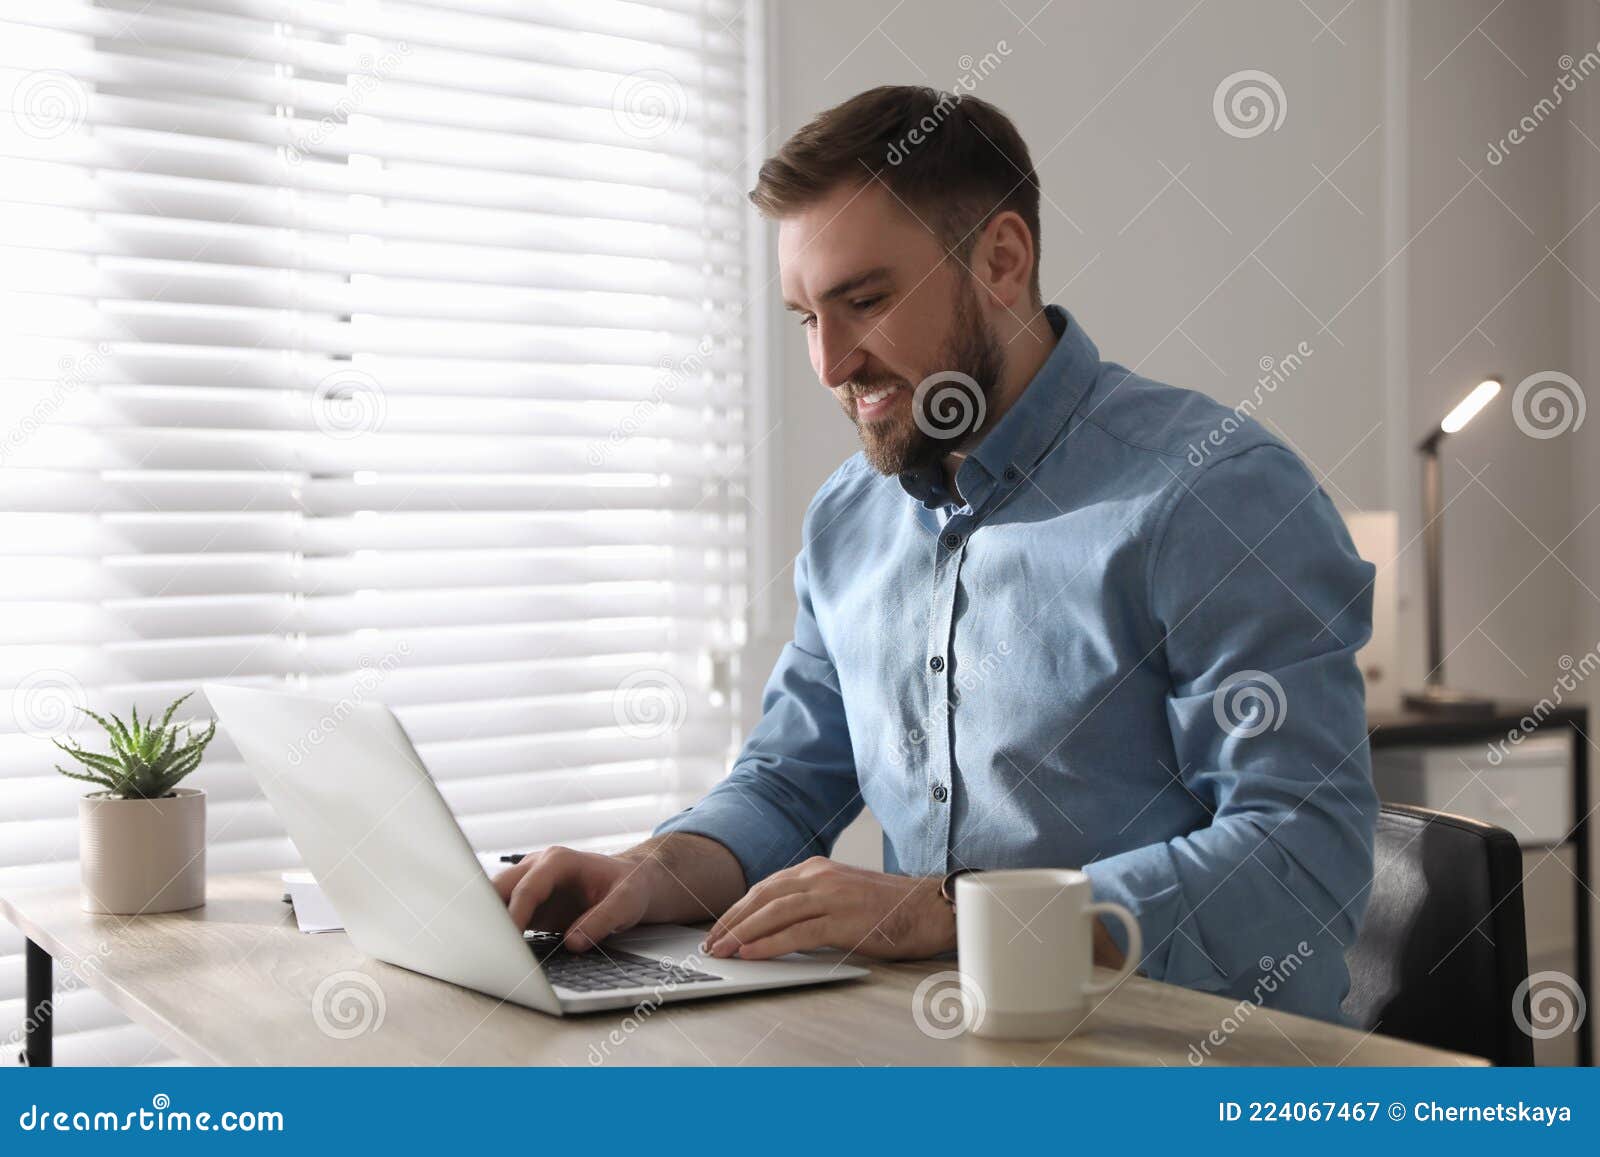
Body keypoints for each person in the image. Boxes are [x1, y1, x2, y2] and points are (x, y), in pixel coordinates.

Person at [494, 86, 1377, 1022]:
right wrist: (648, 871)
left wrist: (956, 913)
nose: (832, 364)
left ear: (1001, 259)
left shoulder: (1215, 493)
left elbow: (1300, 856)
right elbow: (792, 782)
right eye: (805, 317)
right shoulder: (849, 518)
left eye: (864, 300)